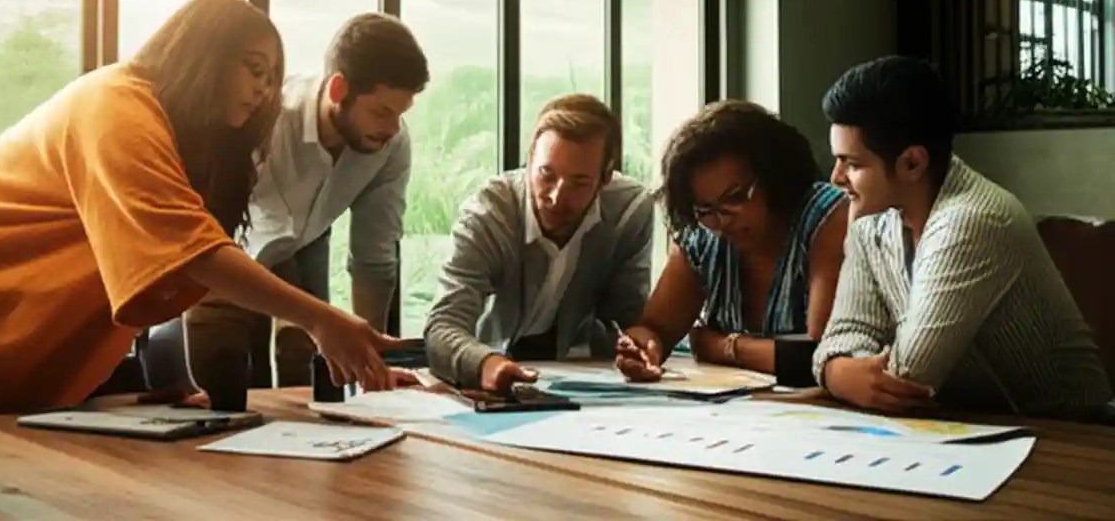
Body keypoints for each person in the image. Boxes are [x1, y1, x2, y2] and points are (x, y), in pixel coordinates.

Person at [0, 0, 401, 419]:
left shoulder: (186, 138)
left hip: (16, 290)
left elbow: (153, 263)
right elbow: (194, 250)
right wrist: (322, 320)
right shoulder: (117, 103)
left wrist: (166, 374)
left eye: (271, 77)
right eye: (252, 69)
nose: (263, 90)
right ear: (204, 54)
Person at [812, 55, 1112, 419]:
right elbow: (844, 332)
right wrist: (837, 371)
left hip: (1071, 434)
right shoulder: (869, 218)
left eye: (853, 164)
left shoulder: (974, 220)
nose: (836, 178)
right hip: (964, 428)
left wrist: (841, 372)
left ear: (912, 163)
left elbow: (909, 376)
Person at [174, 11, 429, 397]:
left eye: (400, 113)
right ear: (339, 90)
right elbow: (224, 228)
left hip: (304, 242)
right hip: (229, 246)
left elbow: (373, 257)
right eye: (381, 111)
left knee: (306, 370)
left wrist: (369, 356)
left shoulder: (391, 144)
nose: (392, 128)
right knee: (223, 369)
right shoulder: (269, 117)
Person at [425, 94, 654, 391]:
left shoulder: (629, 211)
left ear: (606, 177)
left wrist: (643, 345)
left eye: (579, 182)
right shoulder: (489, 213)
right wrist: (486, 365)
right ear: (530, 158)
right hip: (487, 373)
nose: (557, 197)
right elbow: (442, 326)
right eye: (547, 174)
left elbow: (627, 318)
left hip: (580, 379)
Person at [616, 100, 848, 381]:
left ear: (774, 176)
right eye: (705, 210)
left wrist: (721, 345)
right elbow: (655, 329)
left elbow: (819, 357)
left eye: (735, 198)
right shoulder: (701, 235)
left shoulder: (828, 216)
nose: (722, 221)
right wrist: (640, 348)